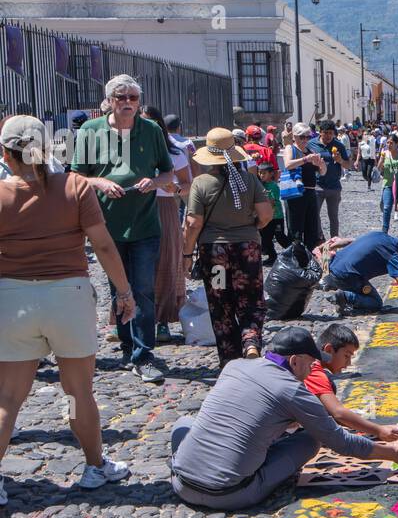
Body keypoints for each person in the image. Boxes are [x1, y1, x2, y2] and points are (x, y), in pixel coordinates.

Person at [0, 116, 135, 504]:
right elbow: (105, 246)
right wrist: (123, 293)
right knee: (78, 392)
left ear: (6, 153)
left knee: (8, 397)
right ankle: (95, 466)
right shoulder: (74, 186)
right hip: (68, 299)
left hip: (14, 300)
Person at [170, 326, 398, 509]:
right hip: (231, 494)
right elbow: (340, 442)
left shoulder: (234, 366)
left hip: (181, 485)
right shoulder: (292, 390)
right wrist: (395, 454)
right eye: (311, 363)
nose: (314, 369)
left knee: (183, 424)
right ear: (295, 361)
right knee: (310, 441)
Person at [71, 74, 175, 384]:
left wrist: (153, 182)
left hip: (144, 223)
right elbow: (77, 178)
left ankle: (144, 355)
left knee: (142, 288)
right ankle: (128, 345)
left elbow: (168, 174)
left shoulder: (151, 130)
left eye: (133, 98)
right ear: (110, 102)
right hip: (106, 225)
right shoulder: (91, 131)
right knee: (118, 287)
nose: (128, 103)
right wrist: (100, 182)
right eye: (122, 98)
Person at [182, 128, 272, 367]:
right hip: (247, 251)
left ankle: (230, 361)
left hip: (215, 255)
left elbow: (193, 223)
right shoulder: (249, 180)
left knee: (221, 302)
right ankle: (251, 341)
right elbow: (265, 214)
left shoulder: (200, 183)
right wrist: (250, 225)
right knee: (250, 297)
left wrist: (187, 254)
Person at [303, 322, 398, 443]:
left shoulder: (314, 367)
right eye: (346, 356)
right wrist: (378, 430)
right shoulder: (313, 372)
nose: (349, 363)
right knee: (310, 444)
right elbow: (338, 413)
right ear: (329, 350)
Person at [142, 106, 192, 343]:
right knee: (134, 263)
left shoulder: (175, 152)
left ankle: (162, 321)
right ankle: (128, 319)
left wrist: (176, 189)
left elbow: (188, 184)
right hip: (136, 209)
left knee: (164, 262)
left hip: (163, 208)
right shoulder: (128, 151)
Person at [325, 229, 398, 315]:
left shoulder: (379, 235)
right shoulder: (394, 255)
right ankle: (344, 296)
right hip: (346, 276)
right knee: (376, 303)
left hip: (334, 266)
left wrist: (330, 247)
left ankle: (335, 285)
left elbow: (351, 241)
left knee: (365, 289)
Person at [280, 124, 324, 250]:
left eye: (307, 137)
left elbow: (322, 172)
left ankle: (309, 259)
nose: (305, 140)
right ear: (294, 136)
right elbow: (288, 164)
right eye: (301, 137)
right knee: (296, 230)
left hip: (310, 193)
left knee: (311, 229)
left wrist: (321, 164)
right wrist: (306, 159)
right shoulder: (290, 148)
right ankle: (295, 259)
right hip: (295, 194)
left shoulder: (310, 152)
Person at [309, 120, 351, 236]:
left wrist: (340, 160)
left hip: (334, 186)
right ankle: (319, 238)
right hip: (317, 186)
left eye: (331, 133)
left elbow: (348, 165)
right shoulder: (311, 144)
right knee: (314, 215)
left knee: (333, 217)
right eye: (325, 133)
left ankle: (334, 242)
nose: (328, 136)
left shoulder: (339, 145)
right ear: (320, 132)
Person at [257, 162, 289, 264]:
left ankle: (294, 252)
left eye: (264, 173)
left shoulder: (273, 186)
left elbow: (273, 202)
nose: (261, 175)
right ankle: (272, 256)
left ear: (271, 174)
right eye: (260, 173)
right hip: (268, 217)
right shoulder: (262, 185)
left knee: (280, 237)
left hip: (276, 217)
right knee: (266, 238)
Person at [376, 133, 398, 235]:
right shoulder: (385, 153)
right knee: (386, 207)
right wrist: (381, 160)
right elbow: (378, 169)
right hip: (388, 183)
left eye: (391, 143)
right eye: (388, 142)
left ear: (396, 144)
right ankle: (384, 231)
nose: (389, 144)